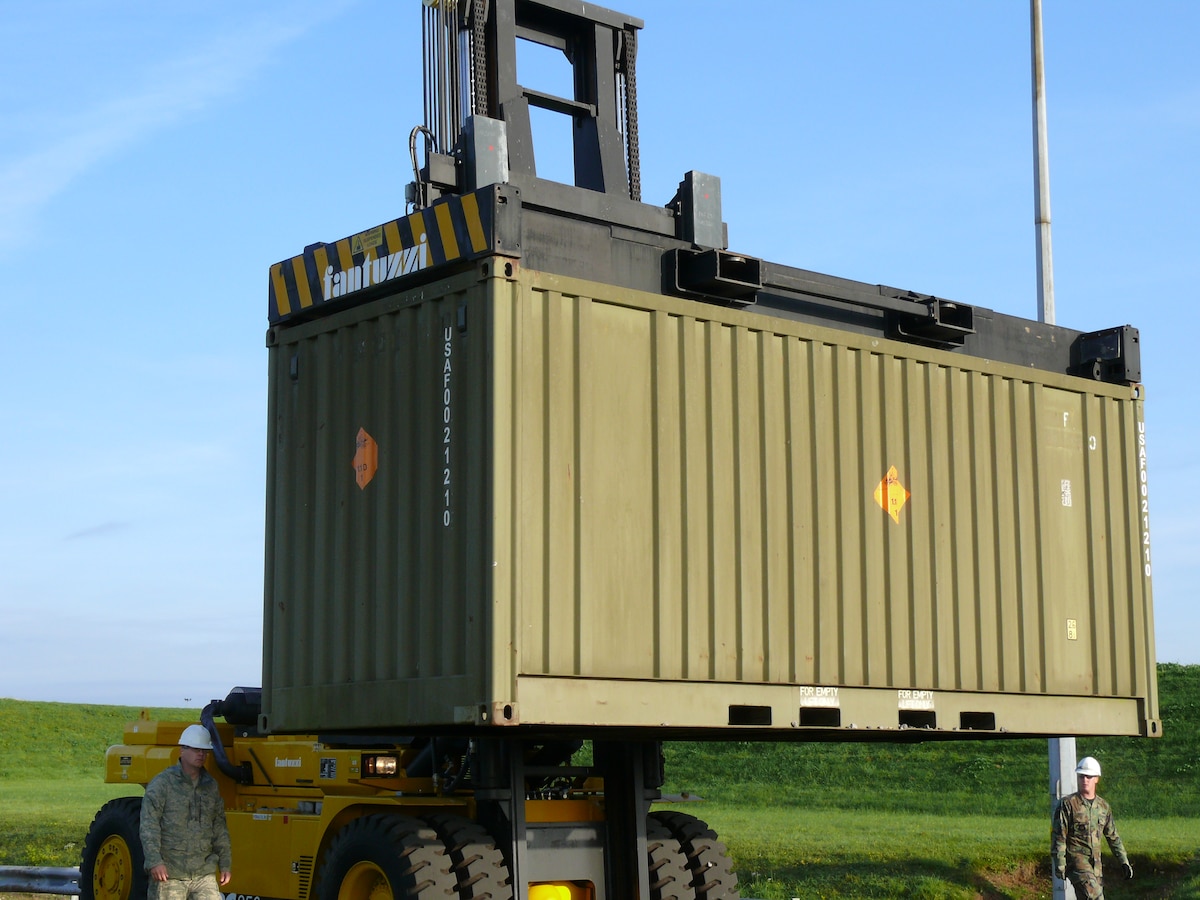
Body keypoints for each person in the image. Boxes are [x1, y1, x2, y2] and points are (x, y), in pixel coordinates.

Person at [139, 723, 233, 900]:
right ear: (182, 750)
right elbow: (149, 826)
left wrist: (225, 863)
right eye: (196, 749)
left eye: (204, 751)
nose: (201, 754)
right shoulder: (162, 785)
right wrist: (154, 862)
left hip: (203, 873)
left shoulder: (210, 787)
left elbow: (220, 828)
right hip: (170, 874)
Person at [1051, 756, 1132, 899]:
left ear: (1096, 779)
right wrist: (1060, 863)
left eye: (1089, 776)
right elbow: (1059, 834)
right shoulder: (1068, 804)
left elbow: (1113, 836)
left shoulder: (1103, 807)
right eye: (1081, 776)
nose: (1085, 780)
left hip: (1096, 866)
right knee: (1095, 897)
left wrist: (1123, 861)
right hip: (1076, 862)